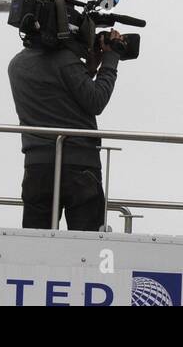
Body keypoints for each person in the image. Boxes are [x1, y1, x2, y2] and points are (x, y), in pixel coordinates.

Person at [8, 29, 124, 230]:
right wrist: (111, 59)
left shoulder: (17, 64)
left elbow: (56, 91)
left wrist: (87, 70)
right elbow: (96, 101)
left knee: (34, 246)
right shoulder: (65, 61)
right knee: (86, 250)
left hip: (37, 168)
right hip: (80, 167)